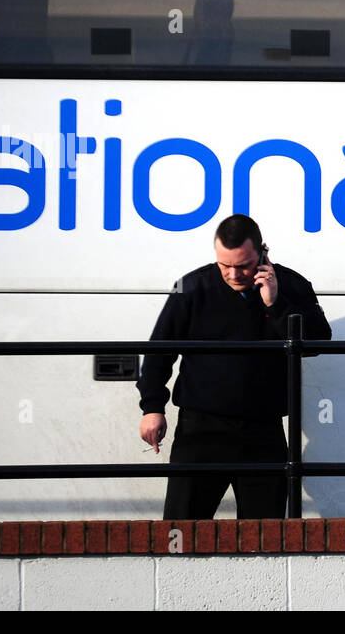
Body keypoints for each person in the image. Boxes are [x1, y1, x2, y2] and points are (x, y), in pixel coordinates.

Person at [136, 214, 332, 519]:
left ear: (263, 252)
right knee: (183, 527)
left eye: (243, 265)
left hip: (263, 430)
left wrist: (275, 304)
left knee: (266, 536)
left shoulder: (291, 286)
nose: (233, 274)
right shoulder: (191, 287)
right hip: (200, 430)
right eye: (224, 265)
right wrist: (152, 407)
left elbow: (318, 343)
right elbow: (159, 350)